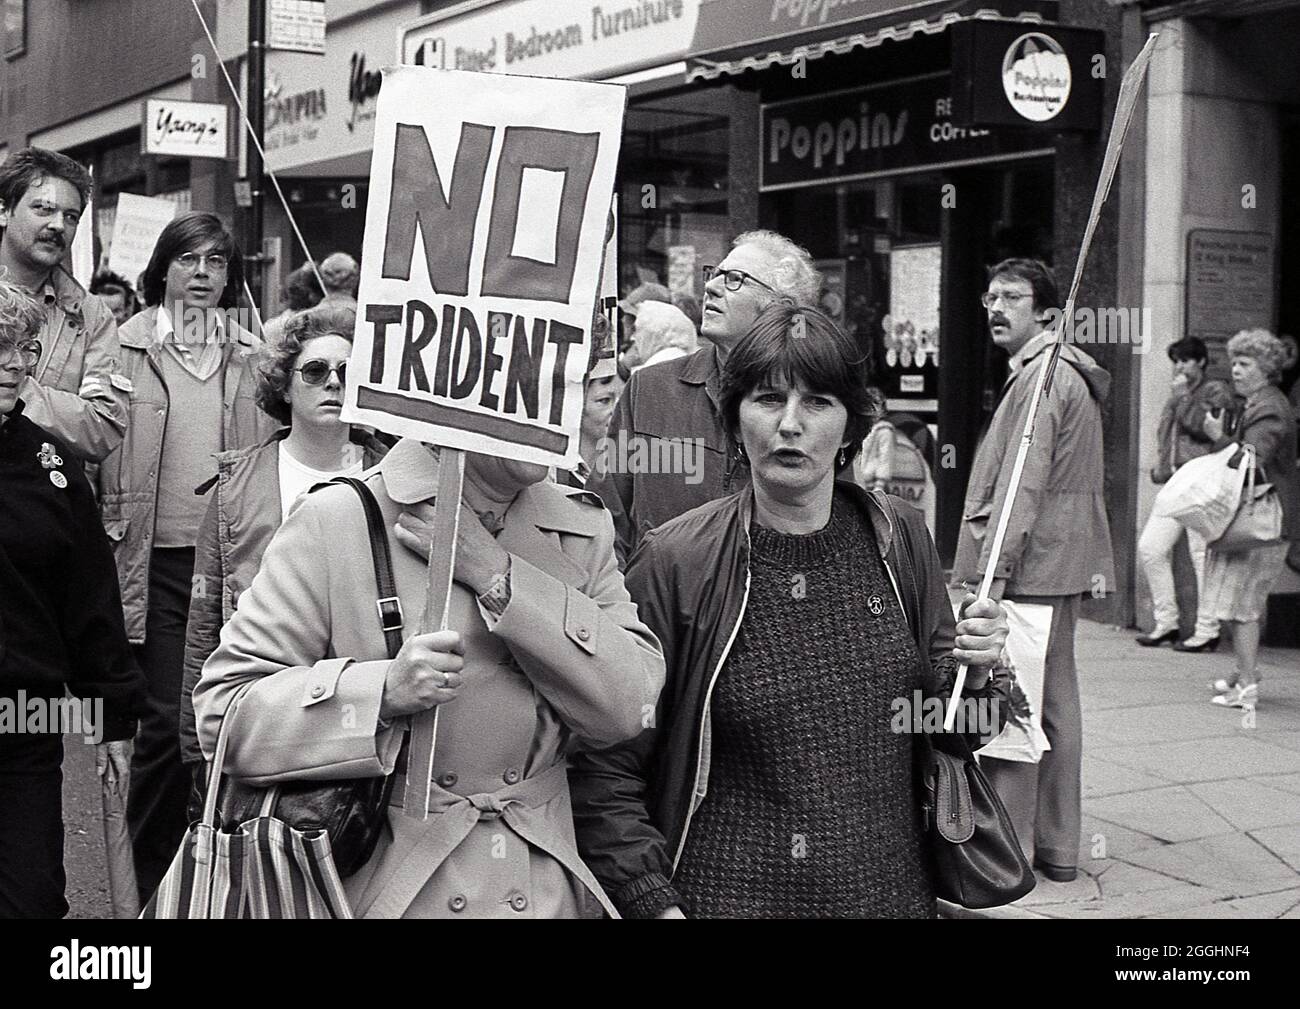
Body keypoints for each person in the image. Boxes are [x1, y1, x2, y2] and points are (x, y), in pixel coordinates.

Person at [569, 303, 1010, 918]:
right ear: (734, 419)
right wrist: (653, 901)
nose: (791, 425)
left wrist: (980, 671)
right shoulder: (677, 561)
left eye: (818, 403)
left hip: (890, 901)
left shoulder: (899, 536)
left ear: (852, 428)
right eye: (769, 399)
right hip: (725, 901)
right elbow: (606, 761)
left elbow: (954, 732)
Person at [192, 430, 666, 918]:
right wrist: (379, 693)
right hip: (391, 885)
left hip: (541, 884)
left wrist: (496, 575)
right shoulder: (341, 517)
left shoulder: (579, 526)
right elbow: (224, 716)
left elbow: (631, 708)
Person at [97, 211, 278, 903]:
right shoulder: (123, 348)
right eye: (189, 260)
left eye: (216, 262)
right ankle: (150, 889)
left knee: (224, 729)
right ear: (163, 270)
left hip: (235, 566)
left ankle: (209, 885)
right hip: (153, 565)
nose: (202, 274)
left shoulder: (253, 353)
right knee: (170, 733)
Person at [177, 303, 390, 802]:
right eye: (316, 371)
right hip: (271, 706)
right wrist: (198, 747)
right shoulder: (235, 488)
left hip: (370, 705)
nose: (333, 383)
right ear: (286, 386)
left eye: (348, 371)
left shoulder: (394, 477)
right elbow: (205, 620)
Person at [952, 258, 1114, 884]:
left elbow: (1022, 483)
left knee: (1014, 706)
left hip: (1032, 564)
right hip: (1059, 560)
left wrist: (995, 569)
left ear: (1048, 311)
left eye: (1012, 297)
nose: (995, 307)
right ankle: (1056, 846)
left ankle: (1010, 849)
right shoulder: (1058, 372)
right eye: (990, 295)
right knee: (1053, 705)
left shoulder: (1044, 376)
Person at [0, 278, 147, 918]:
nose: (15, 364)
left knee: (31, 899)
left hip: (20, 718)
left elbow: (89, 599)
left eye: (26, 348)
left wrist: (111, 716)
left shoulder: (48, 465)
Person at [596, 230, 822, 565]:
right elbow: (604, 514)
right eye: (714, 274)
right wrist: (621, 604)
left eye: (735, 280)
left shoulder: (816, 408)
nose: (712, 287)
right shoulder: (649, 389)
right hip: (649, 610)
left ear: (780, 309)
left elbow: (832, 532)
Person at [0, 147, 127, 462]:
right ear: (4, 210)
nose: (58, 225)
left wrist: (15, 390)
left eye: (71, 217)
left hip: (47, 500)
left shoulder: (92, 316)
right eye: (43, 208)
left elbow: (105, 426)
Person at [1203, 329, 1298, 709]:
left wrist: (1219, 438)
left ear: (1266, 369)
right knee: (1234, 602)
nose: (1235, 370)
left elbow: (1251, 461)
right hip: (1258, 521)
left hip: (1263, 522)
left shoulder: (1269, 408)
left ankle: (1246, 687)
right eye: (1234, 362)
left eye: (1245, 364)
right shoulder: (1260, 402)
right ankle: (1244, 671)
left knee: (1243, 607)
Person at [1136, 336, 1233, 649]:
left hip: (1201, 482)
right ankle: (1167, 623)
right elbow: (1167, 433)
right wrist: (1161, 467)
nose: (1180, 366)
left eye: (1186, 360)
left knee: (1201, 554)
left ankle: (1208, 629)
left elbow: (1208, 431)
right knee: (1151, 548)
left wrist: (1182, 400)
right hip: (1176, 482)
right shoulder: (1179, 392)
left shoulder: (1215, 391)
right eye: (1176, 360)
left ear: (1201, 362)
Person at [620, 301, 698, 373]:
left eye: (637, 330)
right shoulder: (690, 361)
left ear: (654, 333)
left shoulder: (652, 371)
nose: (632, 338)